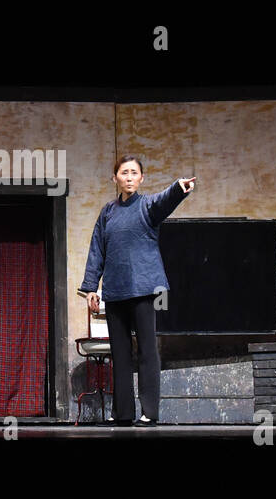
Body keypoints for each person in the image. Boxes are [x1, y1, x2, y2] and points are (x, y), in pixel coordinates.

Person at [79, 155, 196, 426]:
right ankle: (122, 412)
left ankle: (149, 411)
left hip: (144, 288)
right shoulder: (107, 213)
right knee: (120, 353)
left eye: (134, 173)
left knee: (146, 351)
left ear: (141, 178)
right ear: (115, 178)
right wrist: (90, 289)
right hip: (116, 291)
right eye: (124, 173)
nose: (129, 177)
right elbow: (97, 251)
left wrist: (178, 188)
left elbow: (165, 200)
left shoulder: (147, 206)